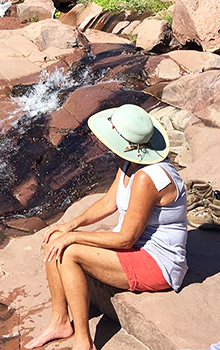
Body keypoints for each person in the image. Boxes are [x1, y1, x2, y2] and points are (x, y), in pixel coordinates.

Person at [26, 103, 187, 350]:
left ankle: (84, 342)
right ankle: (59, 322)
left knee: (69, 252)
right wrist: (70, 225)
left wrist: (74, 238)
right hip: (136, 248)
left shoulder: (148, 178)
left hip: (157, 262)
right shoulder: (131, 162)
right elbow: (109, 201)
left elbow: (125, 239)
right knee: (56, 237)